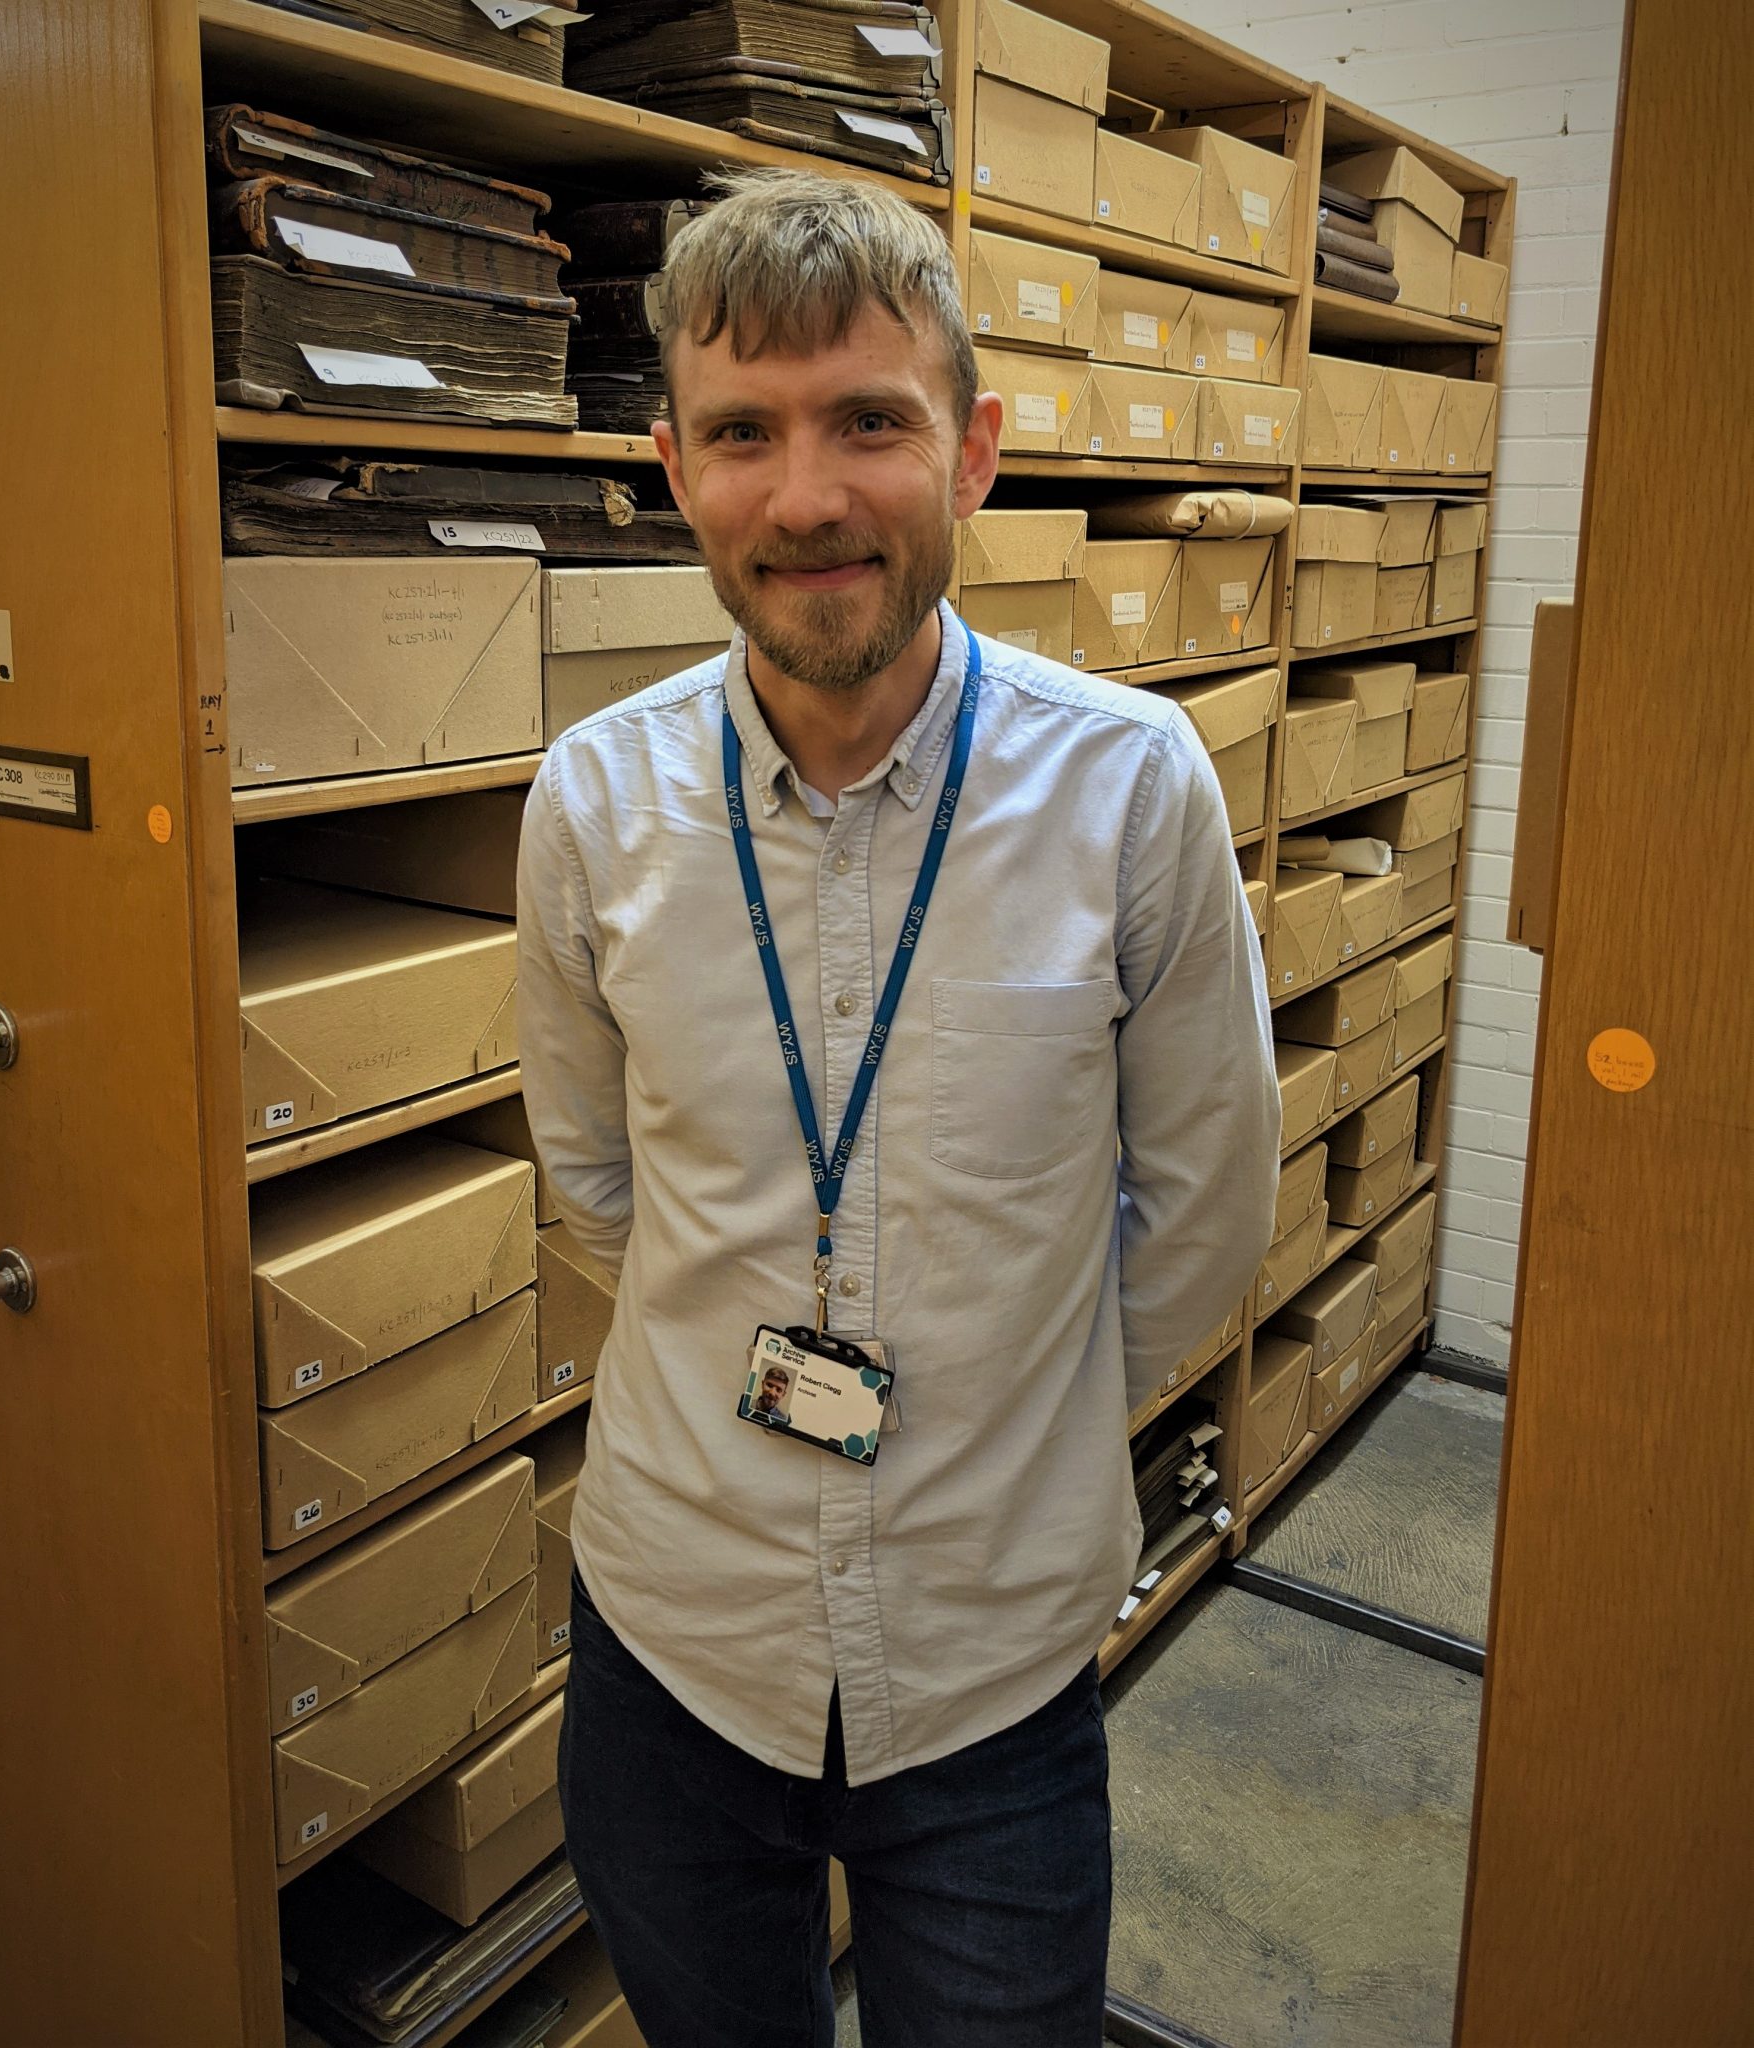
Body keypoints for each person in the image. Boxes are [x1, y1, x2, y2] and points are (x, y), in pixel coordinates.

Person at [518, 167, 1280, 2048]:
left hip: (990, 1673)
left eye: (872, 419)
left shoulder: (1132, 790)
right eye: (742, 434)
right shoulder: (593, 807)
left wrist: (1004, 1431)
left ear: (974, 453)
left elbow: (1203, 1215)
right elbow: (595, 1180)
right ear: (672, 467)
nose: (807, 496)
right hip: (672, 1647)